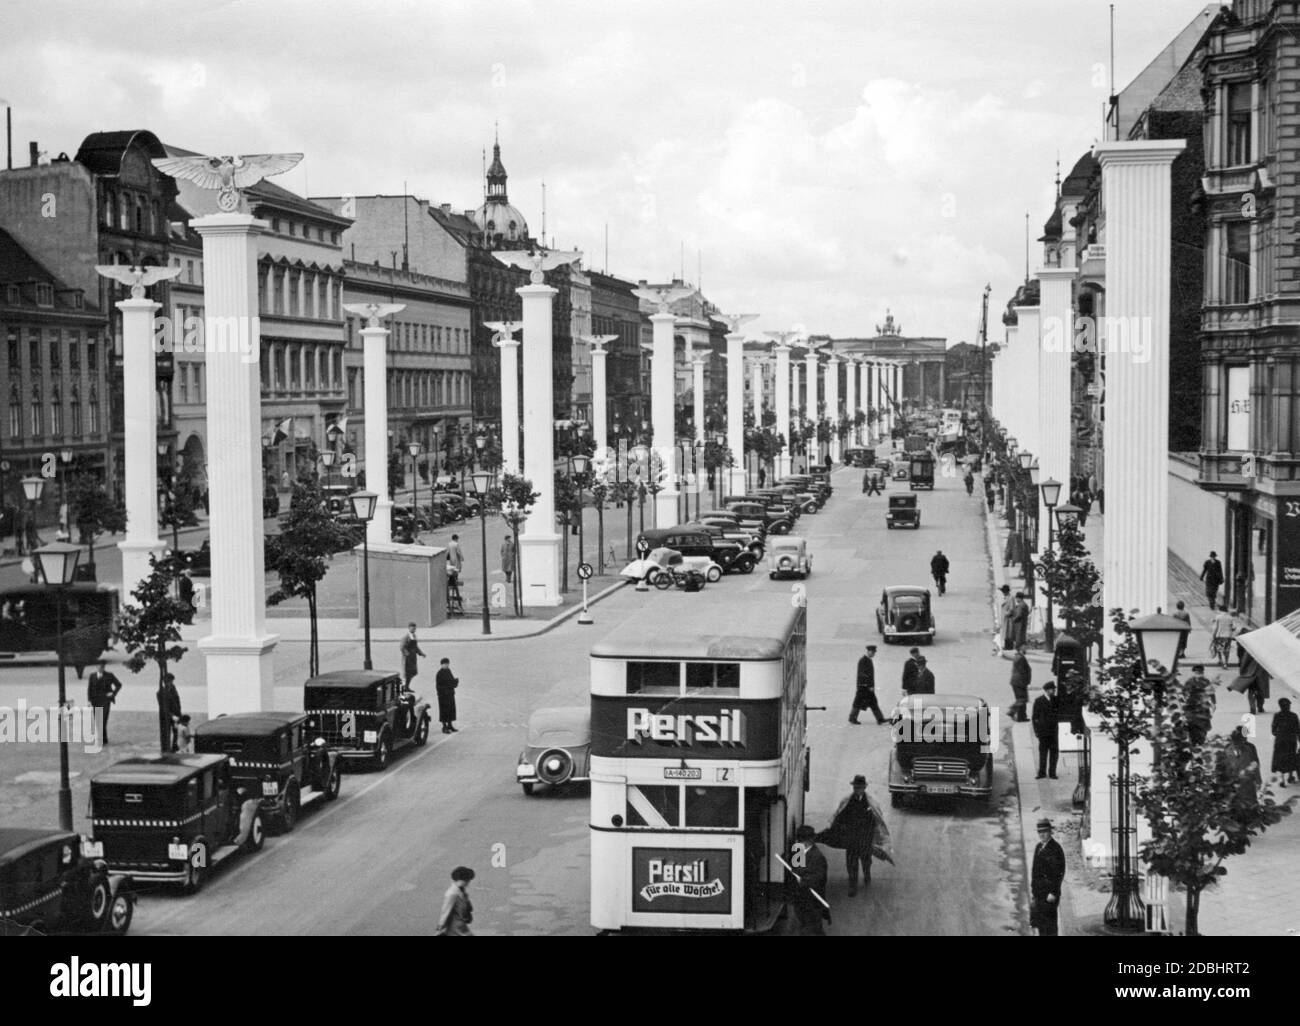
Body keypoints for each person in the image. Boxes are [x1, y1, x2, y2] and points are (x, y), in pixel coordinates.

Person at [829, 776, 878, 895]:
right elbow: (839, 816)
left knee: (866, 860)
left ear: (865, 787)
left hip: (865, 837)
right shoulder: (847, 801)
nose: (857, 789)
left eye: (860, 787)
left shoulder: (871, 802)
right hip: (852, 837)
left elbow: (876, 820)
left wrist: (872, 835)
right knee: (851, 862)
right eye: (856, 787)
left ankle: (867, 874)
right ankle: (853, 885)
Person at [786, 824, 828, 935]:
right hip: (801, 899)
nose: (798, 843)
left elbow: (819, 878)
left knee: (811, 928)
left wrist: (803, 880)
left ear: (808, 841)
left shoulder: (817, 857)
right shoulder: (799, 851)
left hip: (812, 901)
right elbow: (796, 869)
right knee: (810, 927)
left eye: (800, 841)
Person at [1030, 818, 1066, 936]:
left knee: (1050, 926)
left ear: (1050, 831)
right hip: (1039, 893)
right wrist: (1033, 890)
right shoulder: (1038, 847)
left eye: (1045, 831)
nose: (1042, 834)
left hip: (1049, 895)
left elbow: (1059, 873)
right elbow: (1034, 871)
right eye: (1040, 832)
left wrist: (1053, 892)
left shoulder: (1056, 849)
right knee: (1041, 925)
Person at [1221, 726, 1261, 817]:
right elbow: (1222, 766)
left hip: (1247, 782)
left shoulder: (1249, 748)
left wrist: (1258, 779)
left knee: (1250, 802)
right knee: (1235, 803)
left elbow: (1255, 764)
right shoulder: (1226, 750)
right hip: (1233, 782)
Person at [87, 660, 123, 745]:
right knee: (98, 721)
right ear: (96, 667)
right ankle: (104, 739)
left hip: (105, 701)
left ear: (104, 667)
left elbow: (119, 684)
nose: (100, 668)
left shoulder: (109, 675)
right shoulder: (92, 676)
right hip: (95, 701)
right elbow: (89, 689)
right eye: (99, 666)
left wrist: (113, 694)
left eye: (102, 667)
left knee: (103, 720)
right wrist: (89, 700)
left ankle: (100, 740)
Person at [849, 644, 885, 725]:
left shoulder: (867, 660)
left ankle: (880, 719)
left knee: (872, 703)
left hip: (866, 687)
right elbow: (862, 674)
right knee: (859, 702)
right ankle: (852, 718)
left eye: (874, 652)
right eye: (872, 652)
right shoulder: (863, 660)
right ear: (868, 651)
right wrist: (869, 685)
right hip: (864, 687)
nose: (874, 654)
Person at [1032, 681, 1060, 779]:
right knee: (1043, 753)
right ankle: (1042, 773)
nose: (1054, 691)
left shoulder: (1056, 700)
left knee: (1054, 752)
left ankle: (1052, 772)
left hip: (1053, 731)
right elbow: (1035, 717)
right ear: (1047, 690)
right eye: (1053, 689)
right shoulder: (1038, 701)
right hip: (1043, 732)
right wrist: (1036, 731)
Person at [437, 866, 475, 936]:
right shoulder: (452, 893)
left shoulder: (461, 890)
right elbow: (446, 910)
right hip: (455, 926)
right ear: (460, 879)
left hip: (460, 925)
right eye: (467, 880)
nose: (468, 883)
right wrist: (441, 925)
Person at [1184, 664, 1215, 745]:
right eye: (1197, 672)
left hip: (1203, 707)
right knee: (1191, 725)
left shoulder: (1206, 682)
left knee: (1203, 725)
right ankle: (1193, 742)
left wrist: (1213, 703)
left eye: (1200, 672)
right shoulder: (1189, 682)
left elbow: (1211, 693)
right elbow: (1184, 693)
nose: (1198, 673)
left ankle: (1201, 740)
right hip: (1191, 707)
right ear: (1194, 672)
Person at [1272, 697, 1300, 787]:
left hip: (1280, 741)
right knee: (1291, 758)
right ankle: (1290, 777)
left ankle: (1282, 779)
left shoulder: (1277, 715)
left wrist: (1279, 734)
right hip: (1291, 741)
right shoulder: (1294, 716)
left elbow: (1273, 729)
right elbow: (1298, 730)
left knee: (1280, 760)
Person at [157, 673, 182, 752]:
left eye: (171, 681)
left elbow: (178, 702)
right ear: (165, 682)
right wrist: (171, 715)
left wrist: (179, 714)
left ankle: (174, 747)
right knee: (167, 732)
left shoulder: (174, 690)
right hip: (167, 716)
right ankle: (167, 748)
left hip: (176, 714)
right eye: (169, 681)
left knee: (176, 731)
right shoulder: (161, 692)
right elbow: (163, 706)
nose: (171, 683)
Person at [435, 657, 459, 733]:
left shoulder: (448, 671)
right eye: (445, 664)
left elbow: (451, 681)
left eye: (447, 664)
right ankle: (444, 727)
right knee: (444, 711)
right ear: (442, 665)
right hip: (443, 696)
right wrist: (444, 690)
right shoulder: (439, 673)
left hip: (450, 695)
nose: (447, 665)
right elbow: (438, 686)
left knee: (450, 710)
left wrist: (455, 681)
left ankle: (450, 725)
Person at [1009, 645, 1031, 723]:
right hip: (1020, 682)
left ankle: (1022, 717)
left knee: (1022, 699)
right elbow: (1022, 671)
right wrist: (1026, 682)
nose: (1026, 649)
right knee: (1022, 699)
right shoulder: (1021, 658)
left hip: (1017, 681)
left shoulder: (1018, 656)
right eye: (1025, 648)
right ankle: (1012, 711)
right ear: (1021, 649)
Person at [400, 623, 425, 690]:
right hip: (407, 658)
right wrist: (407, 653)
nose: (413, 629)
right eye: (412, 628)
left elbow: (416, 647)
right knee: (407, 673)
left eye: (414, 628)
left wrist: (421, 653)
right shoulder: (406, 637)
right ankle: (405, 687)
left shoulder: (414, 636)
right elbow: (402, 647)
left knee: (412, 672)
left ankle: (407, 686)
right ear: (409, 628)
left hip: (413, 657)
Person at [998, 584, 1015, 649]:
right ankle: (1006, 645)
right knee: (1005, 632)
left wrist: (1006, 614)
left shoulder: (1011, 598)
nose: (1003, 593)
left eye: (1004, 591)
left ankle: (1009, 646)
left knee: (1008, 633)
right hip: (1005, 618)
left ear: (1007, 591)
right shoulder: (1006, 598)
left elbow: (1012, 609)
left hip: (1008, 618)